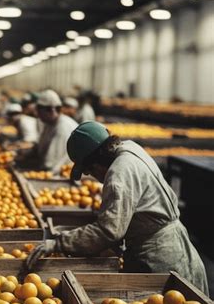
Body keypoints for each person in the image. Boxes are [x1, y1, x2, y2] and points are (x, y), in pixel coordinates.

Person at [27, 121, 208, 294]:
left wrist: (58, 243)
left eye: (89, 172)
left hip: (161, 258)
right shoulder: (130, 148)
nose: (94, 177)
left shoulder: (118, 174)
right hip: (176, 244)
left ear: (96, 164)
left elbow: (109, 231)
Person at [16, 90, 77, 173]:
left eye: (40, 112)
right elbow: (42, 145)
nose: (38, 115)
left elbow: (50, 164)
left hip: (62, 173)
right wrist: (28, 152)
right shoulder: (50, 123)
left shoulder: (62, 127)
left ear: (52, 110)